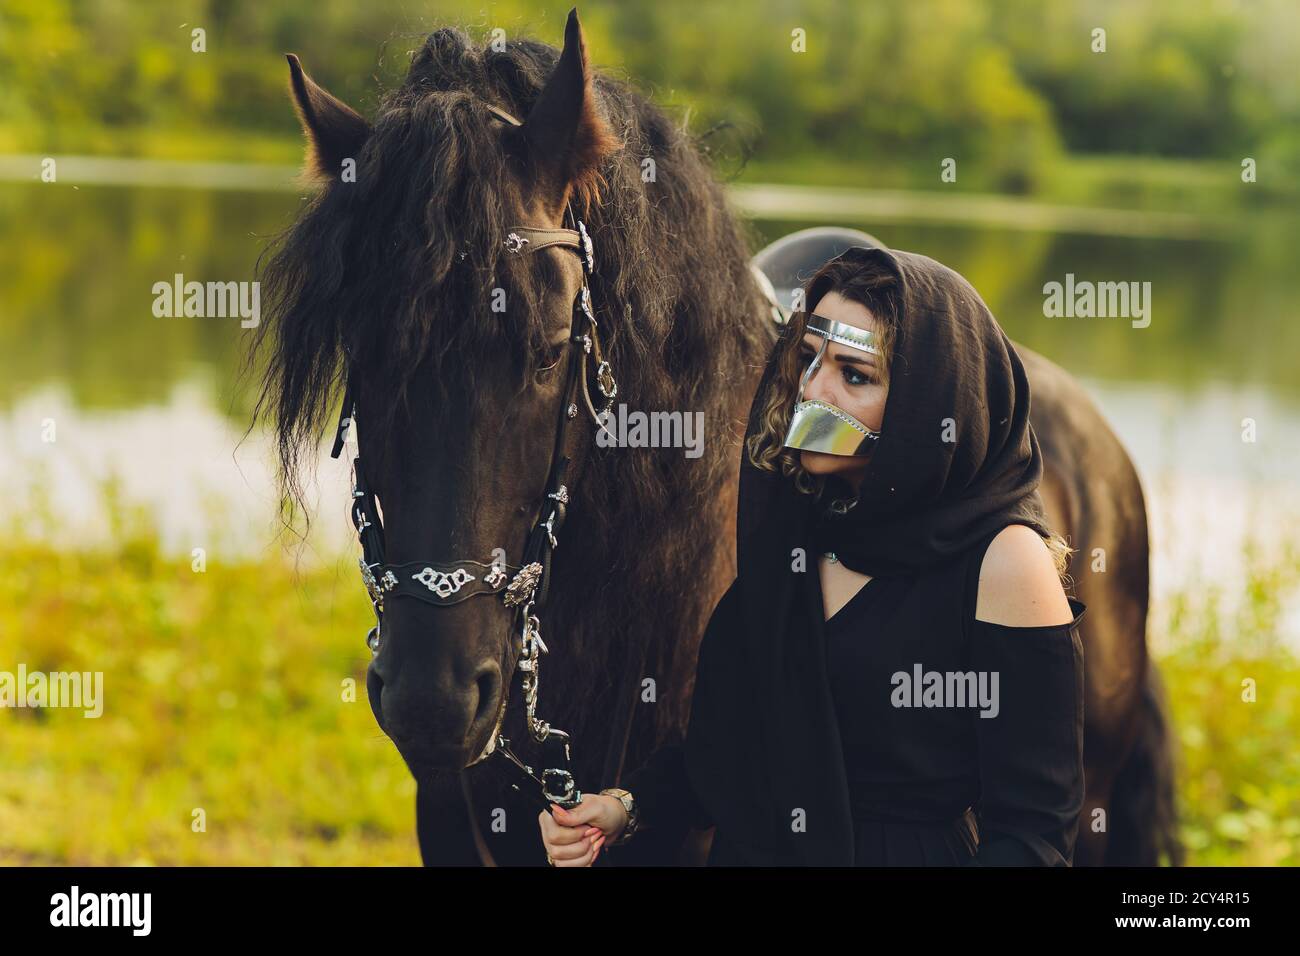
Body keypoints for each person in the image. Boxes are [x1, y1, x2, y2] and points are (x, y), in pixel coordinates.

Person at [538, 244, 1087, 866]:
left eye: (855, 375)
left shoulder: (1006, 560)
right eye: (808, 359)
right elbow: (732, 752)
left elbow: (1035, 834)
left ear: (928, 404)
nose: (811, 392)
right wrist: (626, 807)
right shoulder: (798, 523)